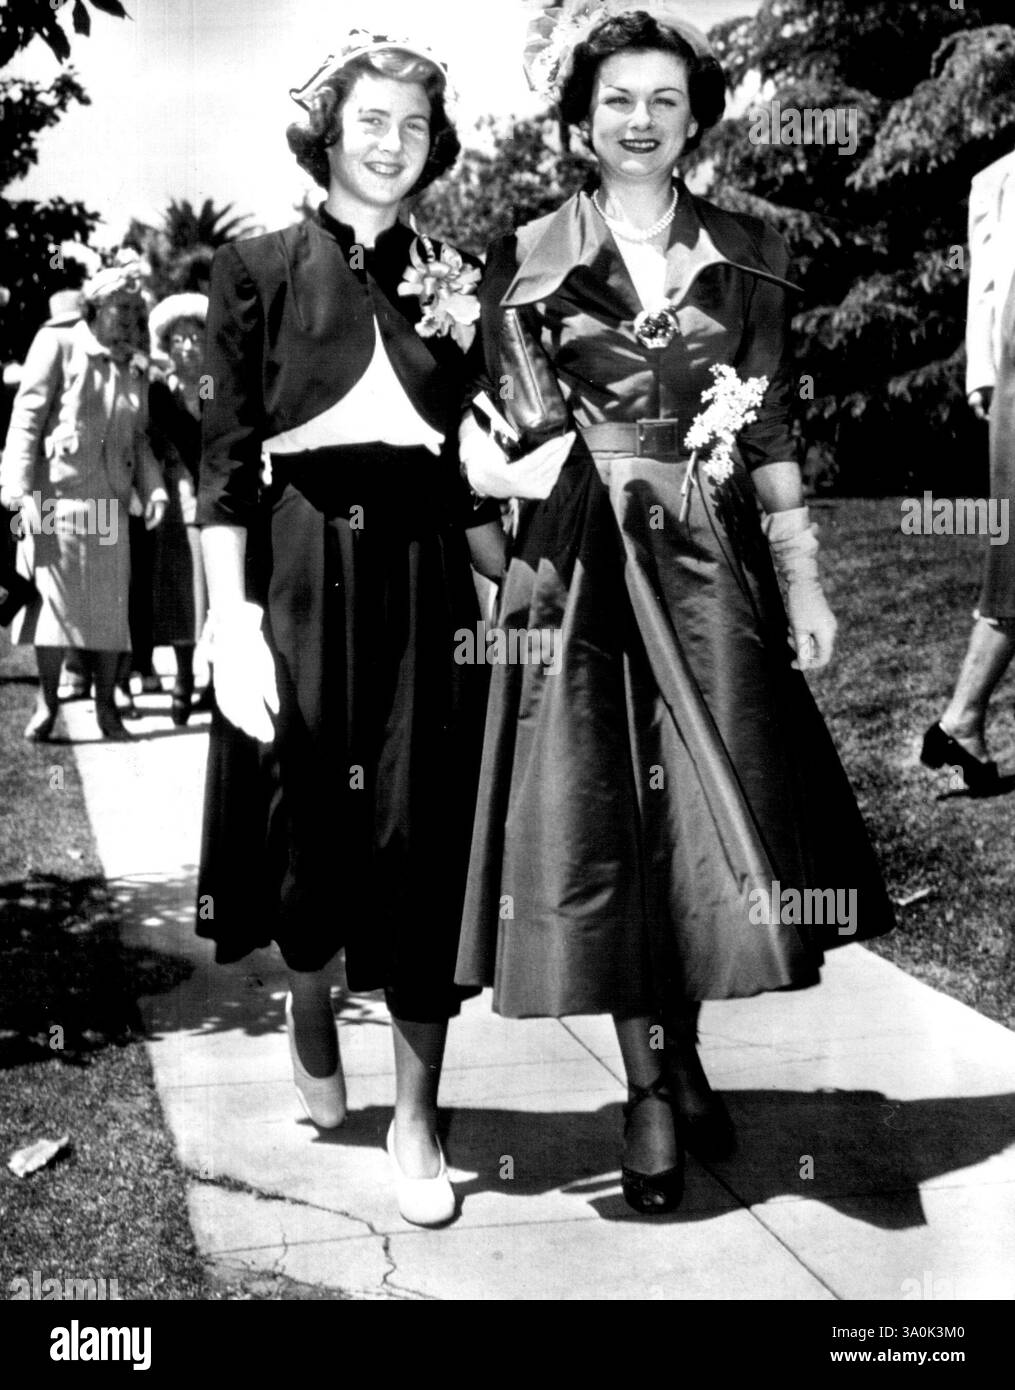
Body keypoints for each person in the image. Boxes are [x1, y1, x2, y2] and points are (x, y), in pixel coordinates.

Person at [455, 1, 895, 1215]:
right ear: (580, 123)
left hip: (704, 569)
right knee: (598, 820)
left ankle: (685, 1046)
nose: (639, 120)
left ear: (694, 117)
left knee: (705, 819)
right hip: (581, 569)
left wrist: (802, 574)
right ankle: (649, 1091)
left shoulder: (749, 250)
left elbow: (770, 425)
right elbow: (503, 419)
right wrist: (497, 520)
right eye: (616, 100)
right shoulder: (528, 250)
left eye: (662, 98)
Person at [195, 30, 506, 1227]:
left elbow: (477, 458)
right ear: (327, 131)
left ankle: (419, 1117)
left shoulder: (461, 276)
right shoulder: (254, 267)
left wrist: (517, 578)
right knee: (302, 827)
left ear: (436, 147)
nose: (392, 143)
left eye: (414, 126)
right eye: (370, 120)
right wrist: (229, 615)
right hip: (299, 564)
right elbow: (226, 465)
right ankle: (311, 996)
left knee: (422, 830)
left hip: (424, 566)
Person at [0, 257, 167, 741]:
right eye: (122, 311)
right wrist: (14, 489)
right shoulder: (57, 344)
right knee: (52, 611)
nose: (130, 324)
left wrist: (152, 490)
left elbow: (139, 439)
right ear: (94, 308)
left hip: (107, 504)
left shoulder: (134, 364)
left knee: (108, 612)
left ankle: (106, 708)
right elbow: (27, 418)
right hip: (54, 499)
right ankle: (47, 704)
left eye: (136, 314)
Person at [921, 148, 1015, 793]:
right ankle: (962, 719)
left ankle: (962, 722)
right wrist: (981, 372)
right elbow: (986, 277)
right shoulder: (999, 176)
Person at [147, 293, 211, 724]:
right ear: (166, 345)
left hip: (215, 496)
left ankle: (216, 681)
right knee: (180, 592)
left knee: (216, 591)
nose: (187, 346)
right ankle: (183, 680)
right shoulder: (157, 389)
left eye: (195, 337)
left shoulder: (216, 385)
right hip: (173, 498)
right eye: (178, 338)